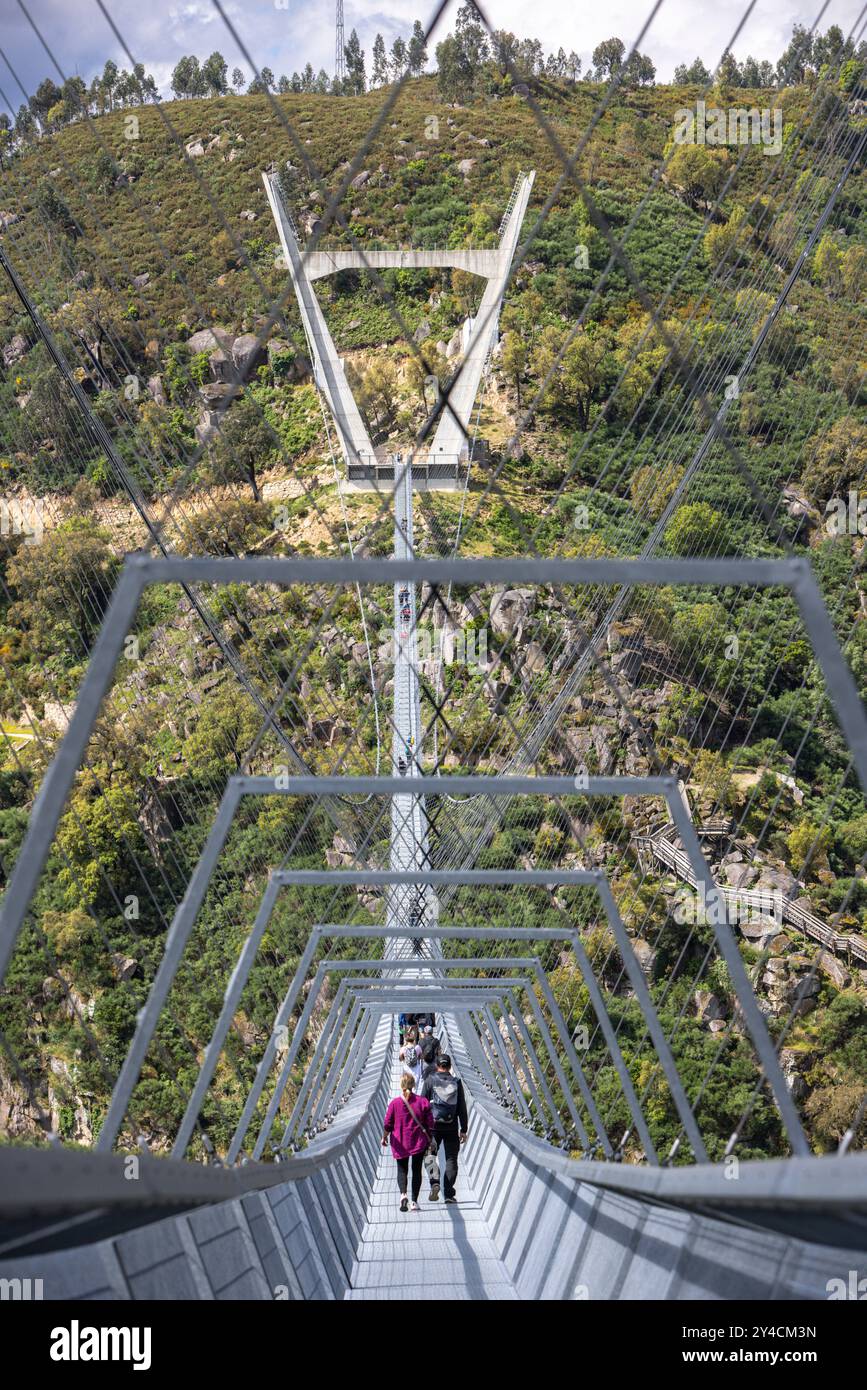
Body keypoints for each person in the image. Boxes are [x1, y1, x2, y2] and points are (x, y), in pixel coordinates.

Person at [420, 1054, 468, 1204]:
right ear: (450, 1066)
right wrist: (464, 1129)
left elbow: (422, 1105)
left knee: (429, 1156)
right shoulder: (457, 1083)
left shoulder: (429, 1081)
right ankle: (448, 1193)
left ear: (437, 1065)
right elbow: (462, 1108)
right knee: (451, 1159)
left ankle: (435, 1181)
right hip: (452, 1126)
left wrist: (422, 1127)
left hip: (433, 1127)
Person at [382, 1073, 434, 1212]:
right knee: (416, 1170)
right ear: (414, 1084)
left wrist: (384, 1137)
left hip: (400, 1142)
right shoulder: (423, 1102)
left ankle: (403, 1195)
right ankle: (414, 1202)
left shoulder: (394, 1104)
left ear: (401, 1086)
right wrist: (430, 1136)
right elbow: (430, 1123)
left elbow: (388, 1124)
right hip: (418, 1141)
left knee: (402, 1169)